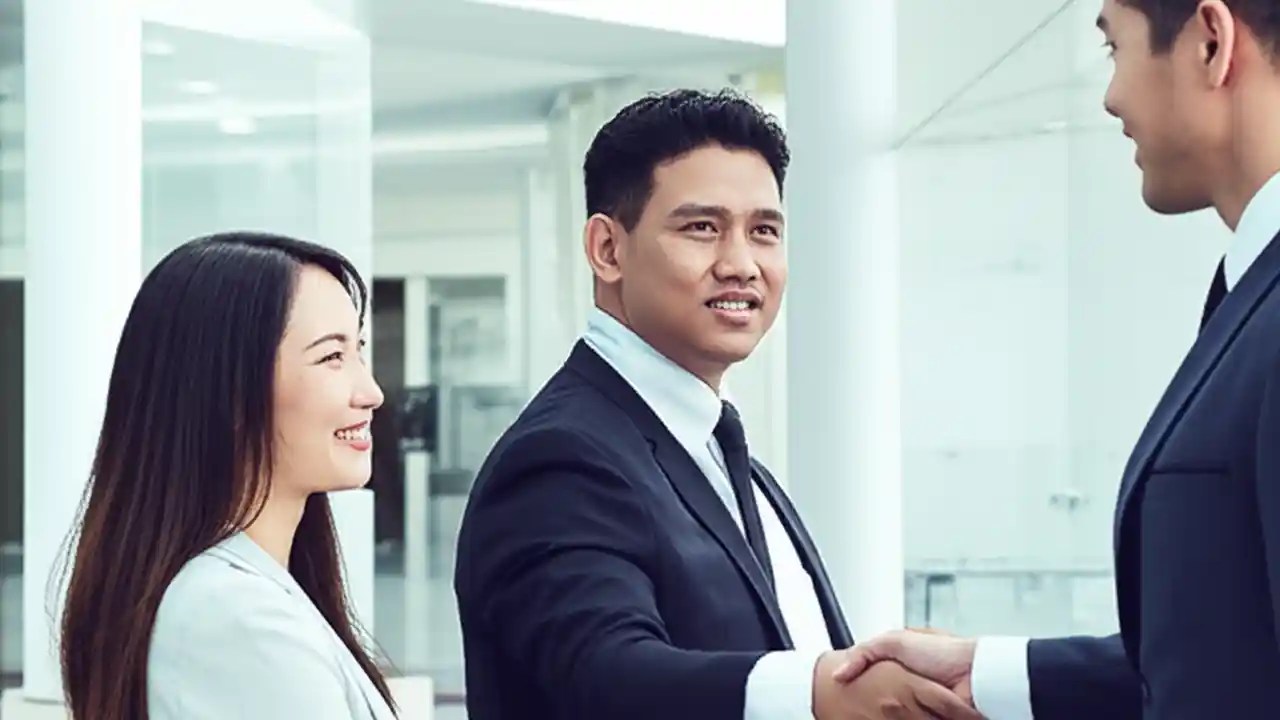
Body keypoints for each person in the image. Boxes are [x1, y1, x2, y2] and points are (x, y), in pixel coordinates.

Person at [453, 89, 982, 720]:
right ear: (607, 249)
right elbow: (606, 677)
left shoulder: (724, 457)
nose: (741, 264)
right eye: (702, 228)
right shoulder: (562, 456)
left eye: (764, 231)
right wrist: (821, 693)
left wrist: (876, 673)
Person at [833, 0, 1280, 718]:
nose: (1110, 97)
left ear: (1209, 42)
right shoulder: (1251, 295)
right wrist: (984, 671)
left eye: (1114, 49)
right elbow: (1221, 654)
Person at [58, 232, 398, 720]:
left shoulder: (238, 595)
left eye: (358, 350)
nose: (370, 392)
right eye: (331, 357)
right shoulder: (237, 619)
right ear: (232, 392)